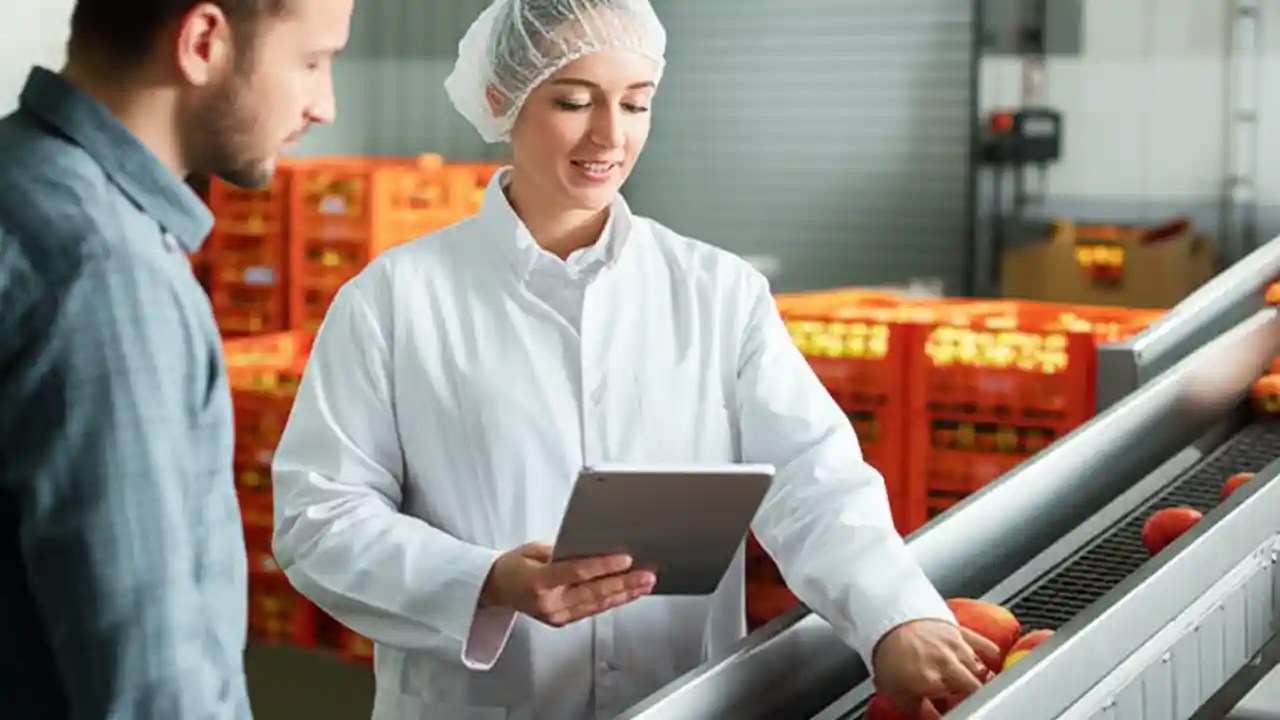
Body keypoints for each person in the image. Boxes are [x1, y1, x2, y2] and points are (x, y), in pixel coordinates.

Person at [271, 1, 996, 718]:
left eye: (636, 103)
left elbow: (814, 479)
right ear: (502, 100)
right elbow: (320, 517)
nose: (609, 135)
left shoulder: (717, 292)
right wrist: (486, 579)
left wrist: (896, 618)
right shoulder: (396, 299)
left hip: (678, 697)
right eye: (574, 101)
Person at [0, 1, 351, 717]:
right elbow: (145, 679)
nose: (325, 105)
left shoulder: (21, 180)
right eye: (312, 62)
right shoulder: (102, 271)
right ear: (202, 42)